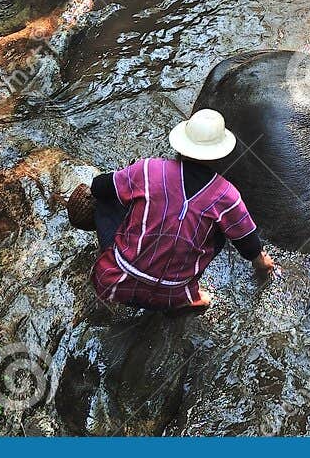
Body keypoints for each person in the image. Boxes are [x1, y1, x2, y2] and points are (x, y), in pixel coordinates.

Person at [67, 109, 281, 311]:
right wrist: (261, 262)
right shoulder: (227, 195)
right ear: (219, 155)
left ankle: (116, 261)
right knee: (222, 232)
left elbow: (98, 186)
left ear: (181, 145)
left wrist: (126, 180)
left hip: (113, 282)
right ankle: (194, 299)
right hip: (172, 296)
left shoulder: (148, 169)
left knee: (106, 199)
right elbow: (248, 244)